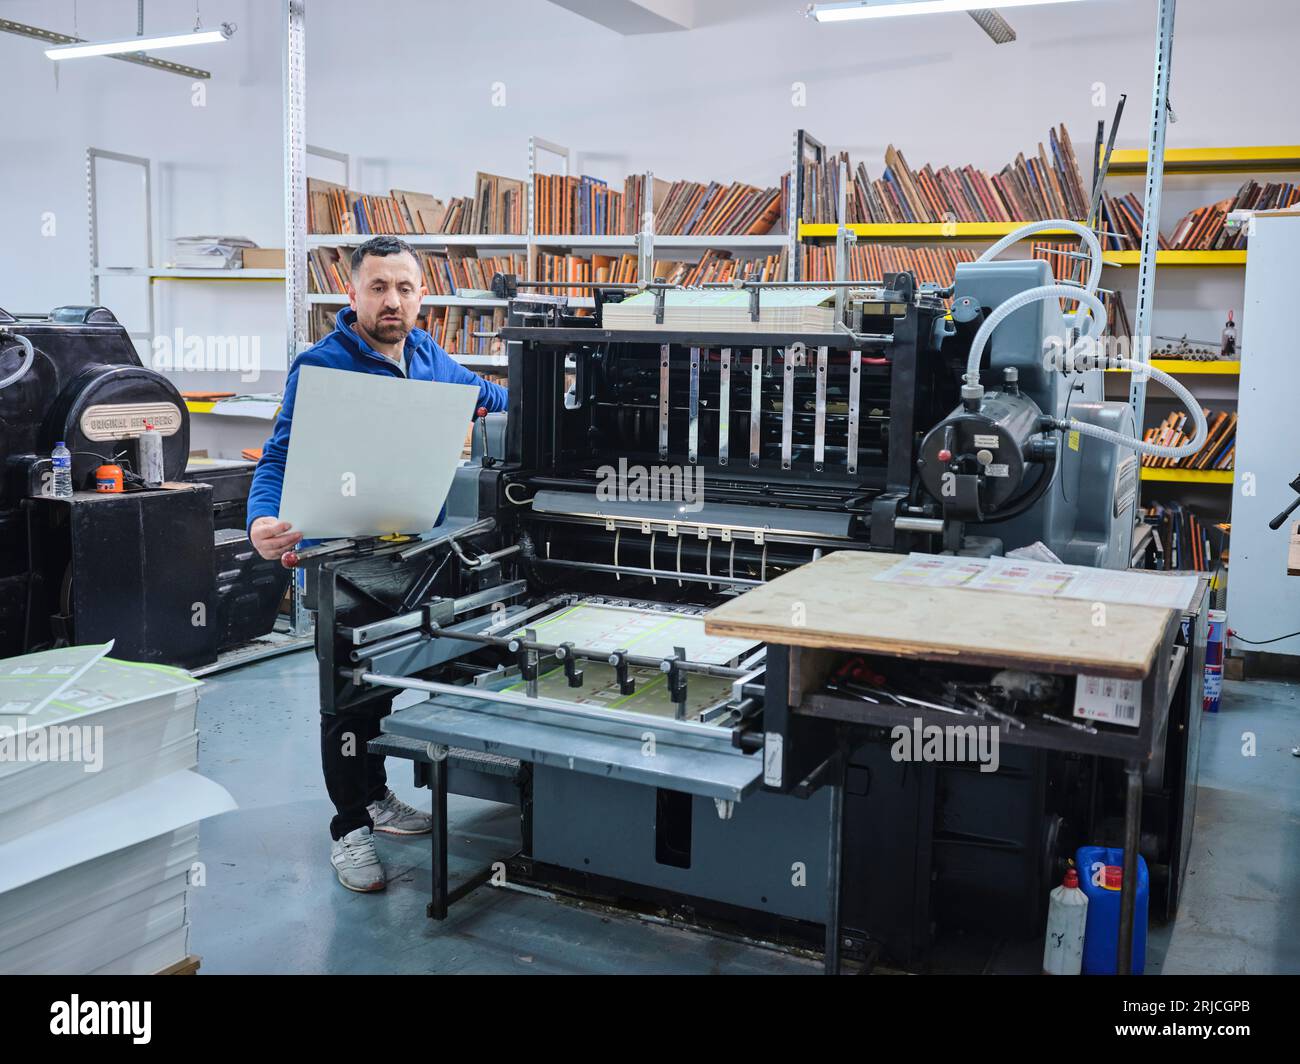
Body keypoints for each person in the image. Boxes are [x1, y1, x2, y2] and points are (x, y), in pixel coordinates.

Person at [247, 235, 508, 892]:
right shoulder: (321, 365)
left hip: (417, 554)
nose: (393, 301)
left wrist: (561, 391)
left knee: (438, 666)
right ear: (352, 293)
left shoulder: (429, 357)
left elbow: (495, 402)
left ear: (422, 295)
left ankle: (382, 796)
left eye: (405, 288)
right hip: (345, 561)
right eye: (379, 288)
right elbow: (277, 457)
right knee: (350, 699)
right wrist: (259, 523)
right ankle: (350, 829)